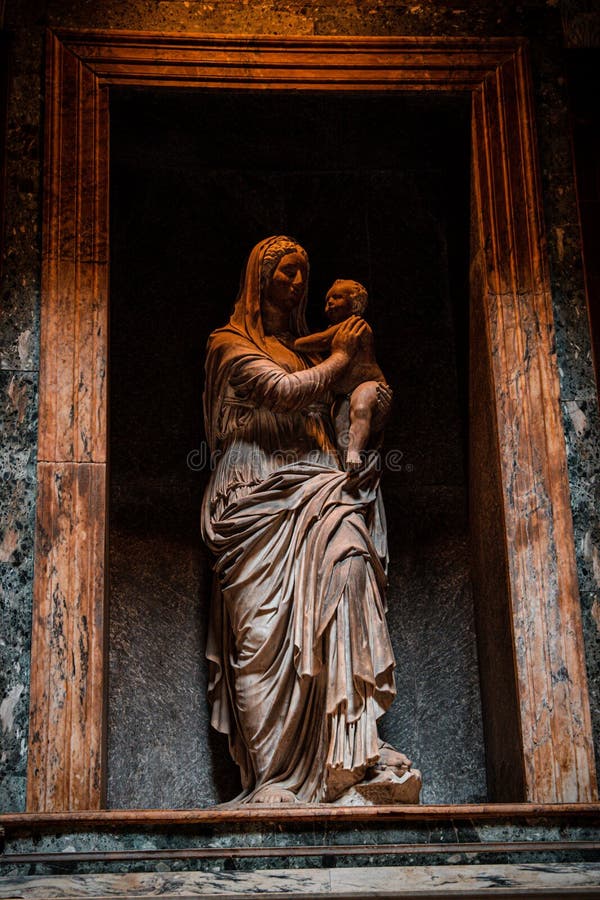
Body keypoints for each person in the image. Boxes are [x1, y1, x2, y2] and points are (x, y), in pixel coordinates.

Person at [201, 235, 416, 805]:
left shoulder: (309, 351)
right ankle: (273, 776)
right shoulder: (228, 345)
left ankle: (352, 748)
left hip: (322, 484)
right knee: (260, 634)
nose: (298, 284)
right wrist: (342, 359)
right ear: (260, 278)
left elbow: (348, 404)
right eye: (287, 273)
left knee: (351, 567)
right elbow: (281, 392)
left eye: (304, 273)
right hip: (254, 494)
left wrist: (367, 407)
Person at [293, 278, 389, 468]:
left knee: (361, 407)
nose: (330, 302)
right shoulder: (335, 329)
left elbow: (320, 341)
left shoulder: (355, 325)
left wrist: (294, 343)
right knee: (341, 427)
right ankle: (350, 469)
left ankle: (354, 452)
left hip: (369, 384)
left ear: (355, 305)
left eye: (337, 297)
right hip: (343, 396)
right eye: (328, 298)